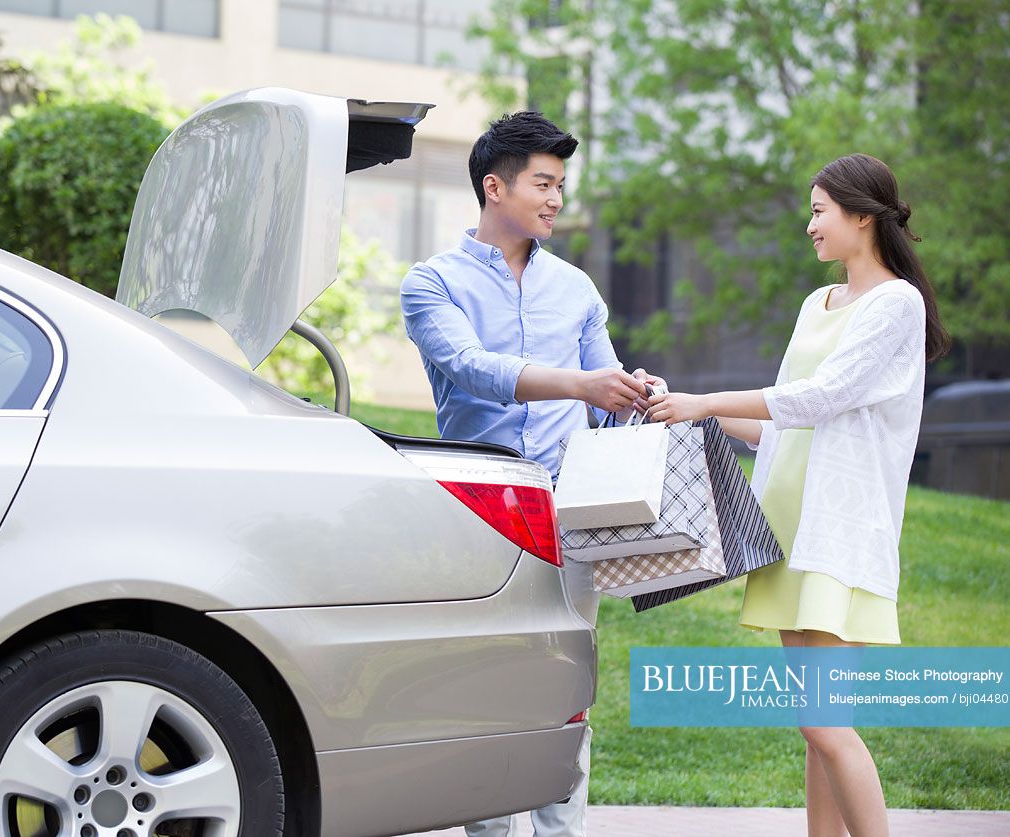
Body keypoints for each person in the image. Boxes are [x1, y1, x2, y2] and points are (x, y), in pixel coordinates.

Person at [648, 153, 950, 837]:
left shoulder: (895, 303)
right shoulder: (816, 304)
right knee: (813, 729)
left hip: (839, 532)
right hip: (784, 529)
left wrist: (703, 397)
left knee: (825, 719)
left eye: (818, 211)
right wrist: (685, 407)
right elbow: (774, 424)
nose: (808, 225)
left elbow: (822, 398)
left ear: (861, 217)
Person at [401, 111, 660, 837]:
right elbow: (471, 371)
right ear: (494, 186)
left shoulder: (575, 288)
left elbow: (604, 393)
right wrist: (581, 385)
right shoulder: (431, 284)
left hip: (569, 512)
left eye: (560, 185)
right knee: (484, 684)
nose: (555, 199)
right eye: (543, 183)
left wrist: (629, 392)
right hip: (477, 513)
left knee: (565, 687)